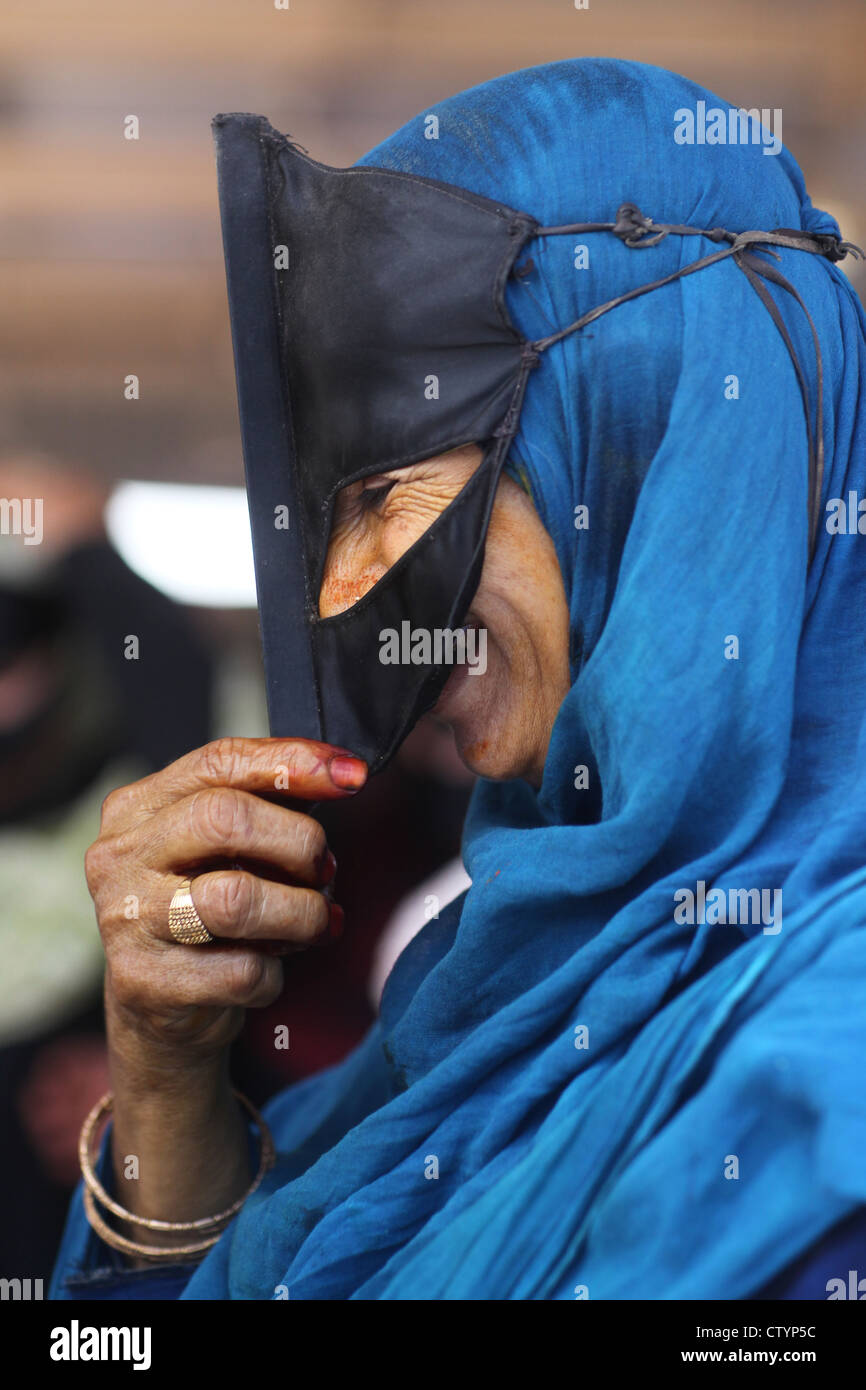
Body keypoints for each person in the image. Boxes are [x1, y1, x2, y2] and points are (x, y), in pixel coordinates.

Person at [50, 57, 866, 1300]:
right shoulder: (488, 989)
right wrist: (167, 1088)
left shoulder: (821, 1070)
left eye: (386, 496)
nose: (349, 601)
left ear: (645, 438)